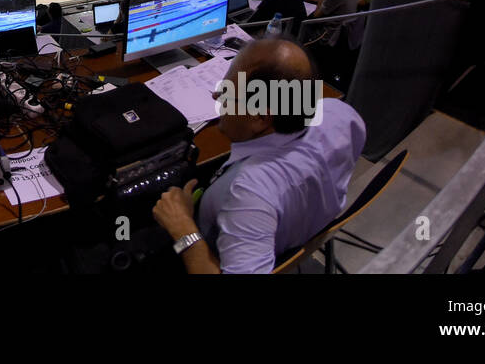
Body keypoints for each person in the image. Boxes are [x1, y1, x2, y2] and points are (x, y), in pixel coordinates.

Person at [151, 38, 365, 273]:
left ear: (260, 117)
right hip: (300, 232)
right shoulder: (343, 115)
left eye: (227, 92)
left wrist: (183, 229)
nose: (215, 96)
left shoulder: (247, 195)